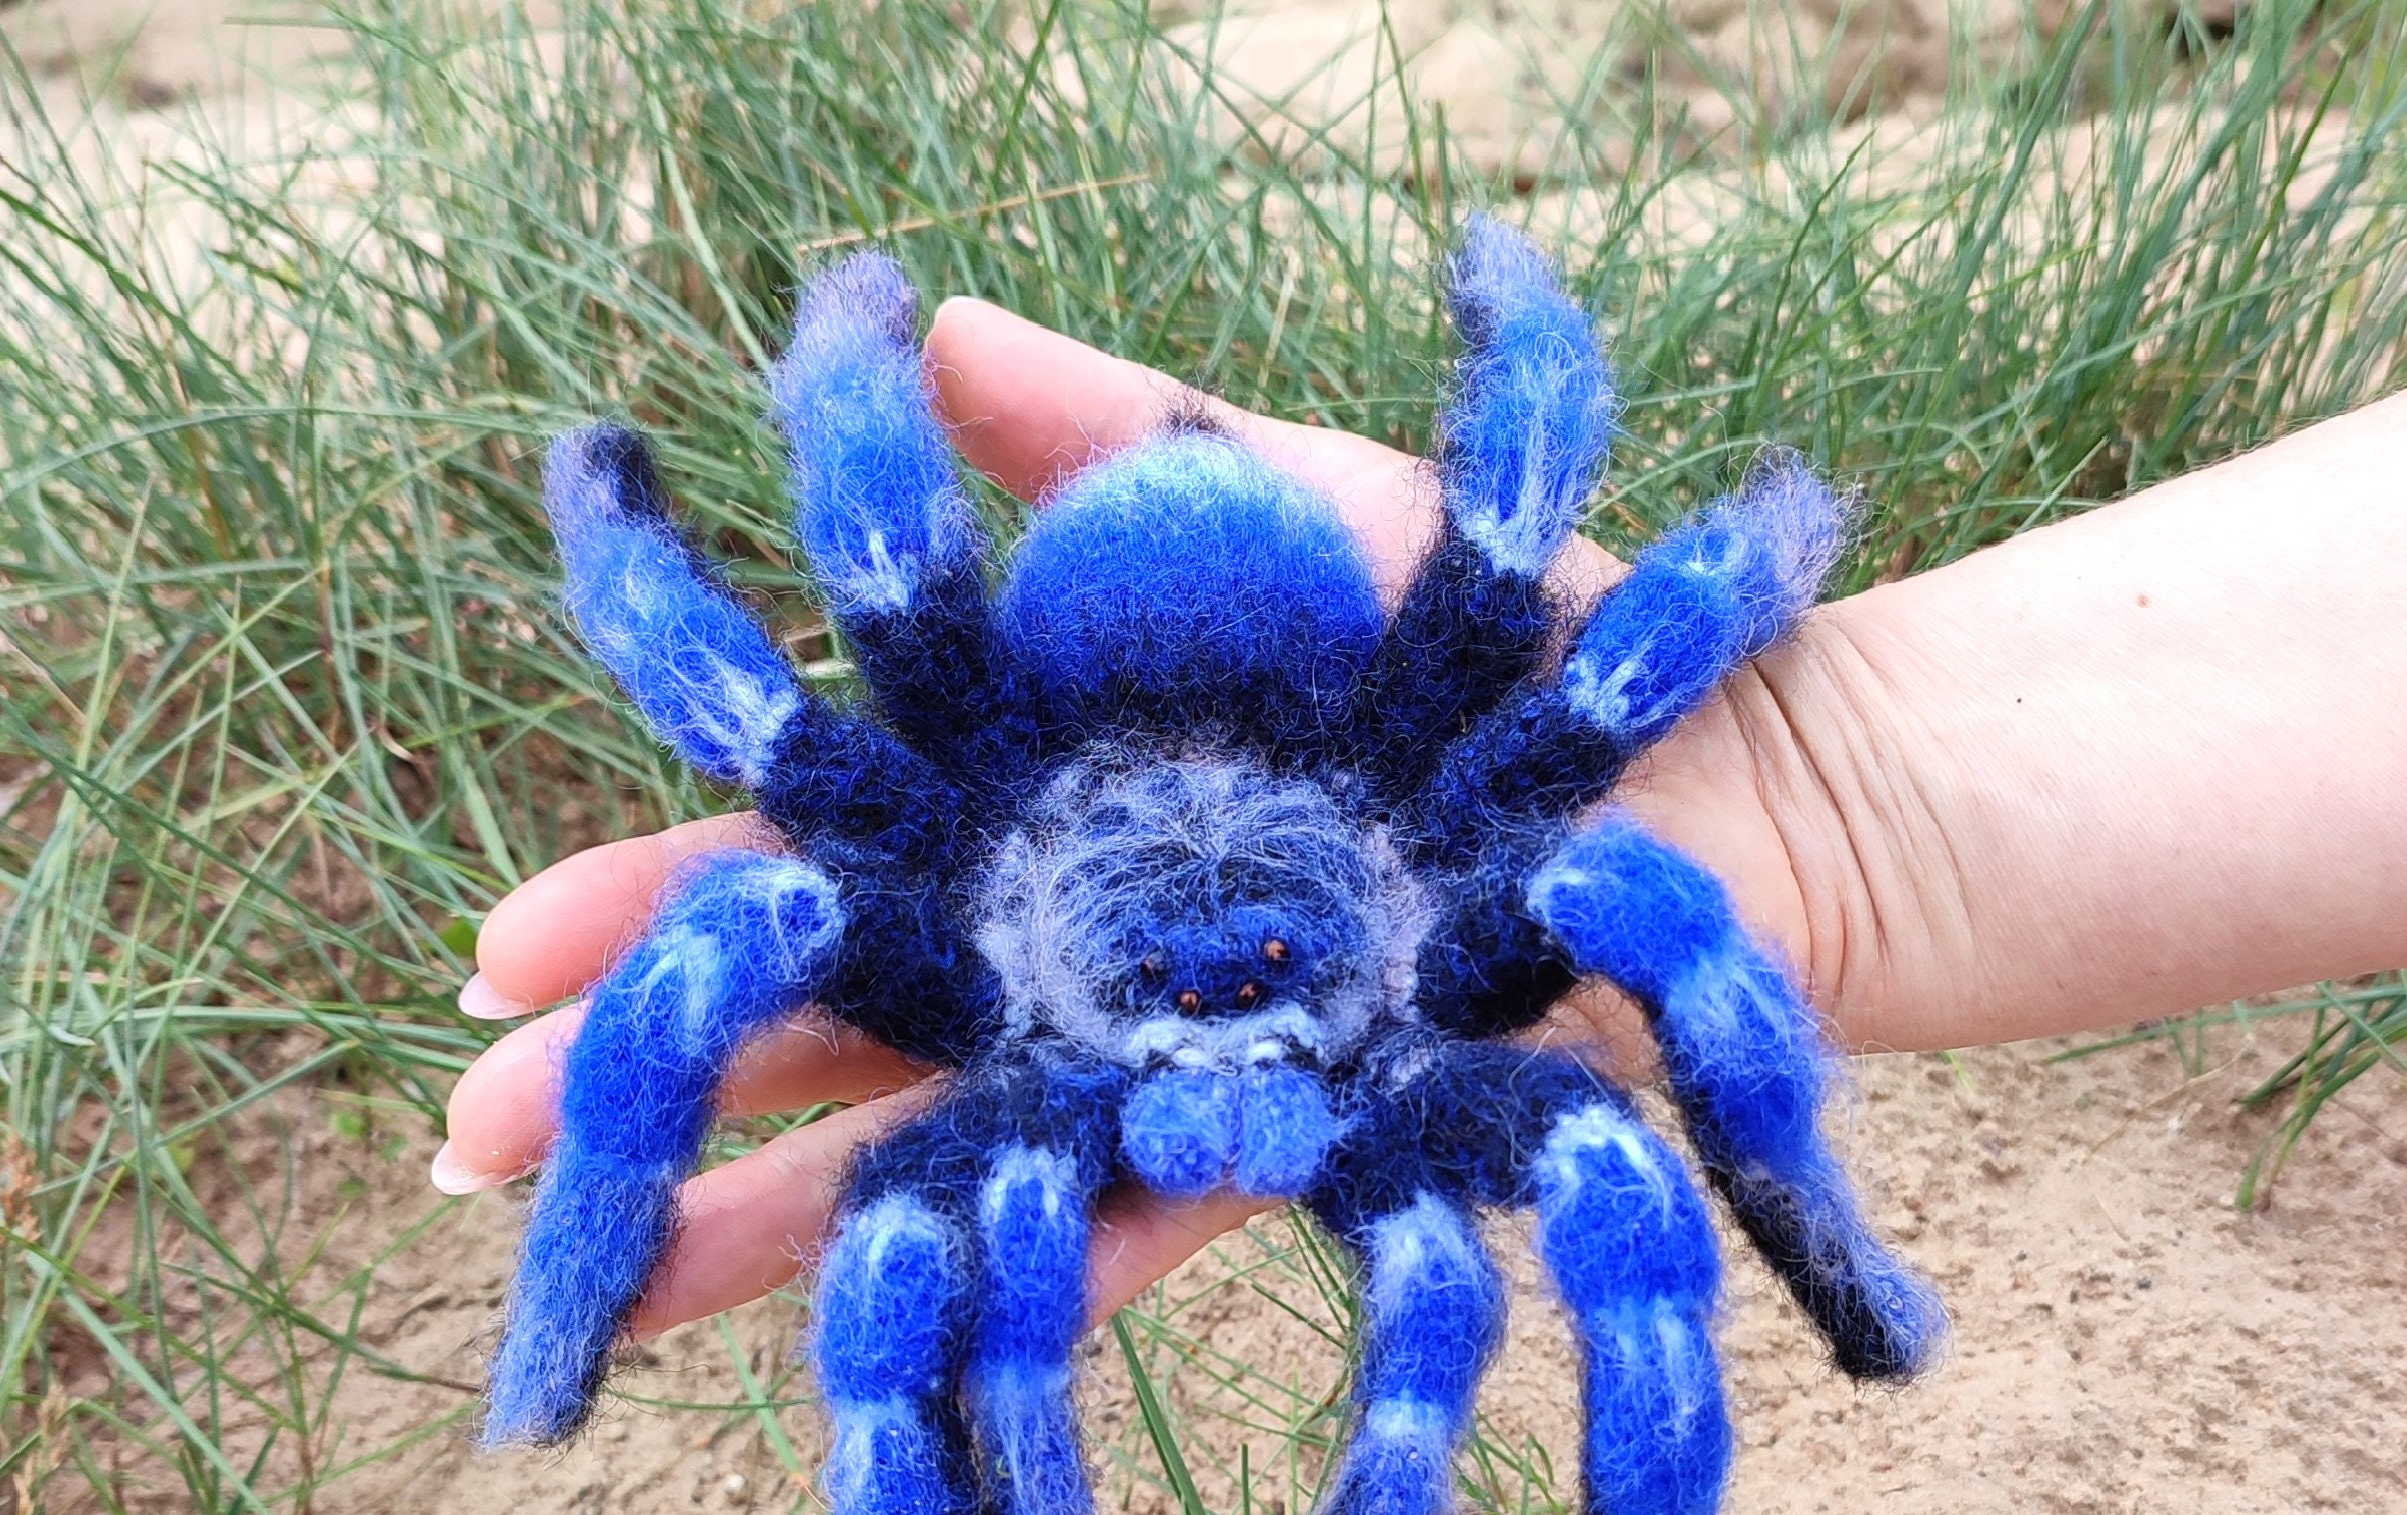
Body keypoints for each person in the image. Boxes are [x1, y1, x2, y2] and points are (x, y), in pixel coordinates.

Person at [429, 295, 2407, 1336]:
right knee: (742, 892)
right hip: (1135, 718)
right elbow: (753, 681)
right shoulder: (996, 853)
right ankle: (570, 1306)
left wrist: (1796, 627)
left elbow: (1656, 600)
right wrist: (817, 383)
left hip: (1232, 700)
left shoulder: (1440, 835)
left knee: (1579, 753)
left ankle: (1824, 1244)